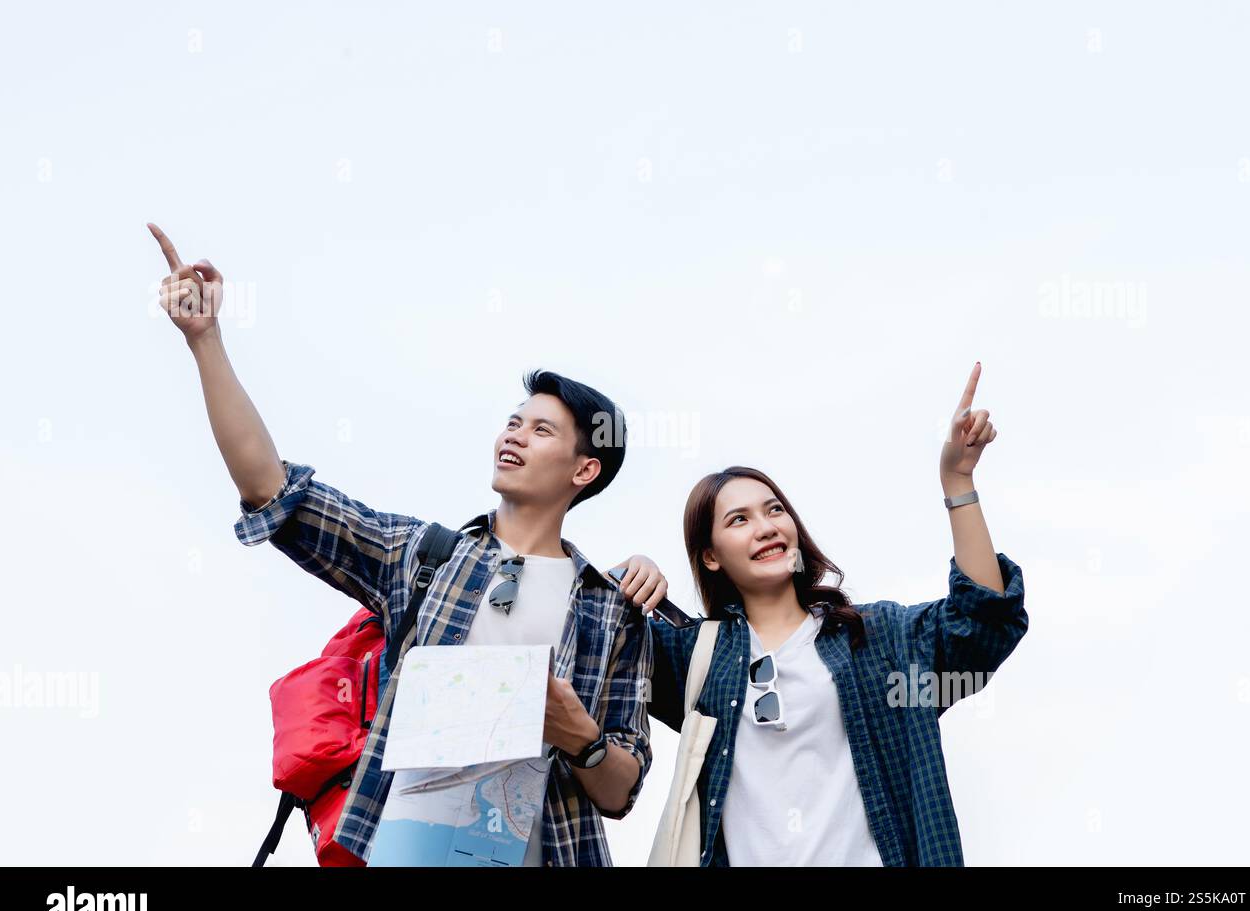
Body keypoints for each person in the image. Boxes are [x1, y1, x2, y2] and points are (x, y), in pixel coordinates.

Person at [149, 223, 668, 867]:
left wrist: (580, 738)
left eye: (541, 429)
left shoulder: (612, 609)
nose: (515, 434)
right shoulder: (423, 557)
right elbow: (272, 492)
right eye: (513, 421)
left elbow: (622, 790)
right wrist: (206, 342)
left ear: (583, 470)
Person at [648, 363, 1029, 865]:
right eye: (739, 519)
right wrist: (631, 574)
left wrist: (958, 480)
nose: (765, 527)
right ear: (710, 555)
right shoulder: (692, 656)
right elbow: (584, 647)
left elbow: (982, 624)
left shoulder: (880, 638)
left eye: (774, 510)